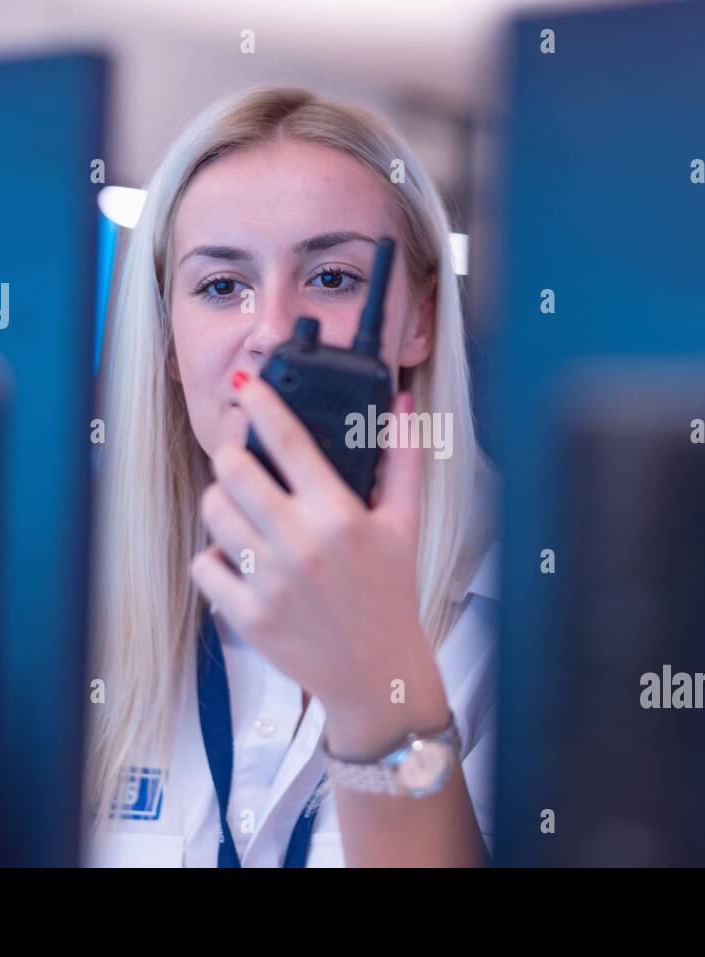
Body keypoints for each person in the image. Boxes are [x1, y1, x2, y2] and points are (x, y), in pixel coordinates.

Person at [84, 84, 499, 867]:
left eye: (333, 278)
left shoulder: (542, 612)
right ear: (169, 343)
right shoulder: (69, 605)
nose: (272, 333)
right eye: (221, 286)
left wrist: (377, 691)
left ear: (418, 319)